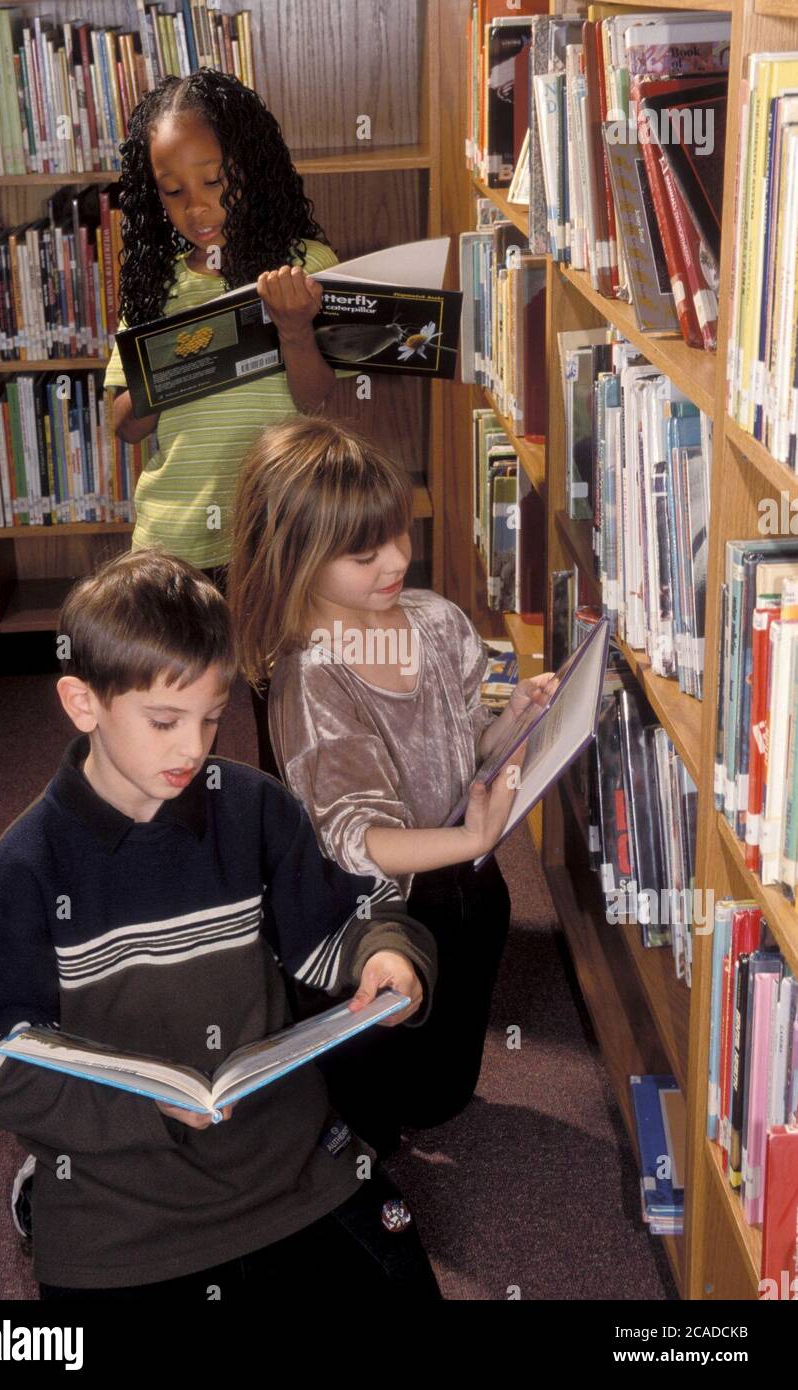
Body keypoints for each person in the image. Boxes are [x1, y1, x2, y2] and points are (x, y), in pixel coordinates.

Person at [0, 549, 441, 1300]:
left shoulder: (251, 807)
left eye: (212, 718)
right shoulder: (27, 866)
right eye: (164, 720)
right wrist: (137, 1112)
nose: (193, 748)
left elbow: (350, 919)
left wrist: (388, 954)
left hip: (283, 1159)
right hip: (121, 1203)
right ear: (83, 703)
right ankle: (42, 1194)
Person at [227, 417, 556, 1155]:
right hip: (382, 919)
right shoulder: (312, 677)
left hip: (470, 887)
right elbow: (355, 839)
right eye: (363, 552)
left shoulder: (437, 622)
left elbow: (467, 752)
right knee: (385, 1100)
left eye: (399, 535)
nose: (397, 560)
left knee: (444, 1095)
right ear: (296, 555)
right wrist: (471, 837)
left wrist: (521, 721)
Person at [103, 70, 349, 775]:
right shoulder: (155, 288)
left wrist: (296, 327)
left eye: (213, 181)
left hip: (278, 528)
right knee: (176, 707)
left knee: (288, 707)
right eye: (173, 190)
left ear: (252, 169)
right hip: (179, 533)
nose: (197, 207)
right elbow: (126, 424)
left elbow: (317, 400)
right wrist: (177, 360)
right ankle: (185, 847)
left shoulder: (306, 270)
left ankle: (289, 842)